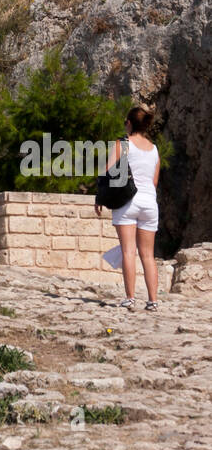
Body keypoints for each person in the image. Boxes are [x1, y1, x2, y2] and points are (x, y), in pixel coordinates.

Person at [95, 104, 160, 312]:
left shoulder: (122, 144)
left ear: (130, 124)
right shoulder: (154, 149)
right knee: (148, 255)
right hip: (150, 202)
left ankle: (130, 298)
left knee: (128, 251)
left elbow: (106, 173)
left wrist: (100, 198)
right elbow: (155, 181)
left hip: (128, 201)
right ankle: (153, 301)